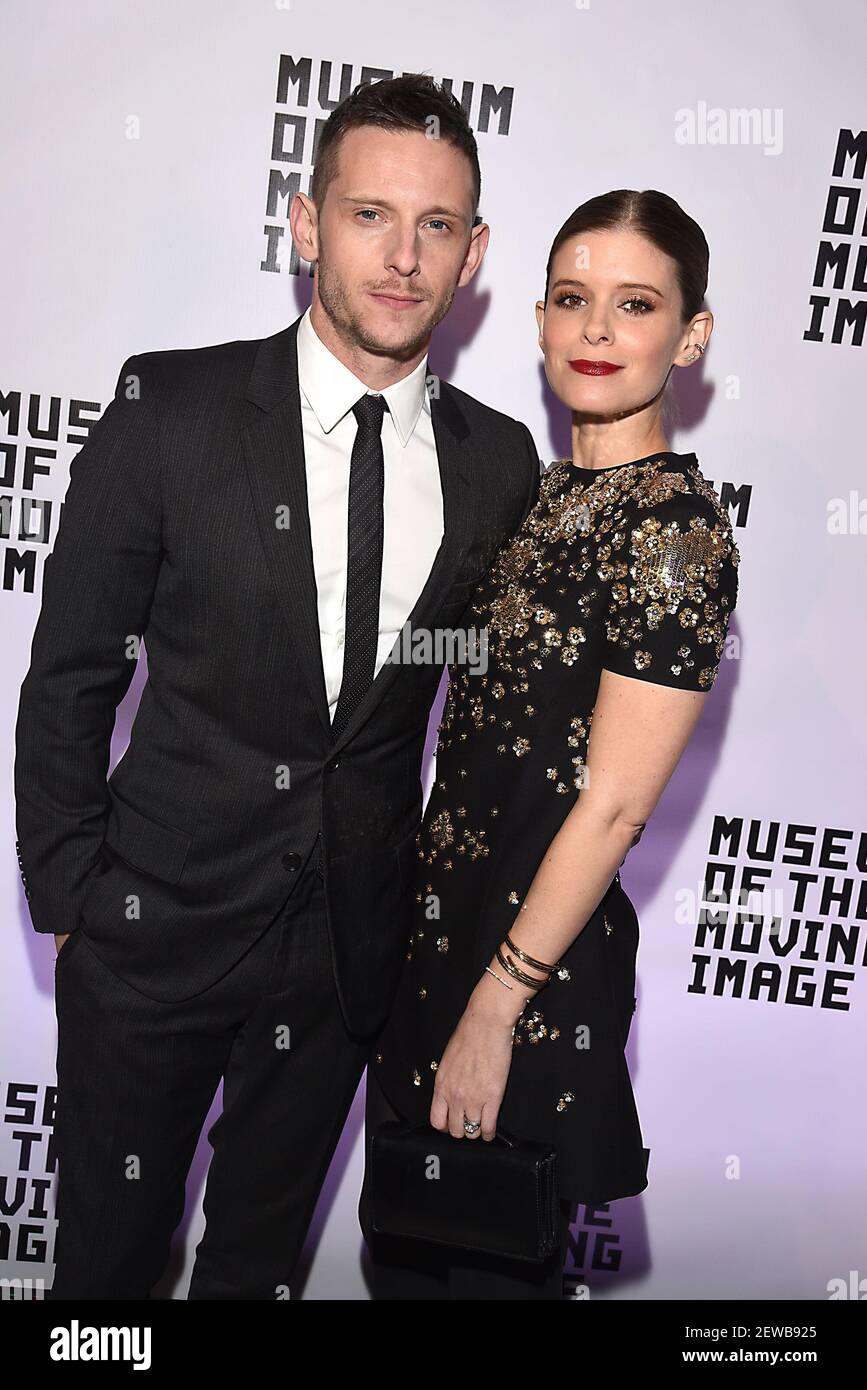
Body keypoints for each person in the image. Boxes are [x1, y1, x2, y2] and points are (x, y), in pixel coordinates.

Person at [13, 73, 541, 1300]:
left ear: (474, 252)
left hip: (343, 961)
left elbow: (450, 685)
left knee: (257, 1272)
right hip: (148, 938)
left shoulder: (500, 462)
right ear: (306, 226)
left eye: (438, 225)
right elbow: (73, 670)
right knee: (105, 1277)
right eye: (370, 216)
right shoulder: (172, 408)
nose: (403, 257)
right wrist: (73, 898)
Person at [361, 188, 741, 1299]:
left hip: (527, 982)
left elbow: (615, 805)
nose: (596, 331)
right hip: (440, 955)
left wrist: (495, 1005)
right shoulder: (543, 494)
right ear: (536, 320)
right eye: (573, 300)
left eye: (635, 304)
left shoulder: (673, 528)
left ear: (691, 335)